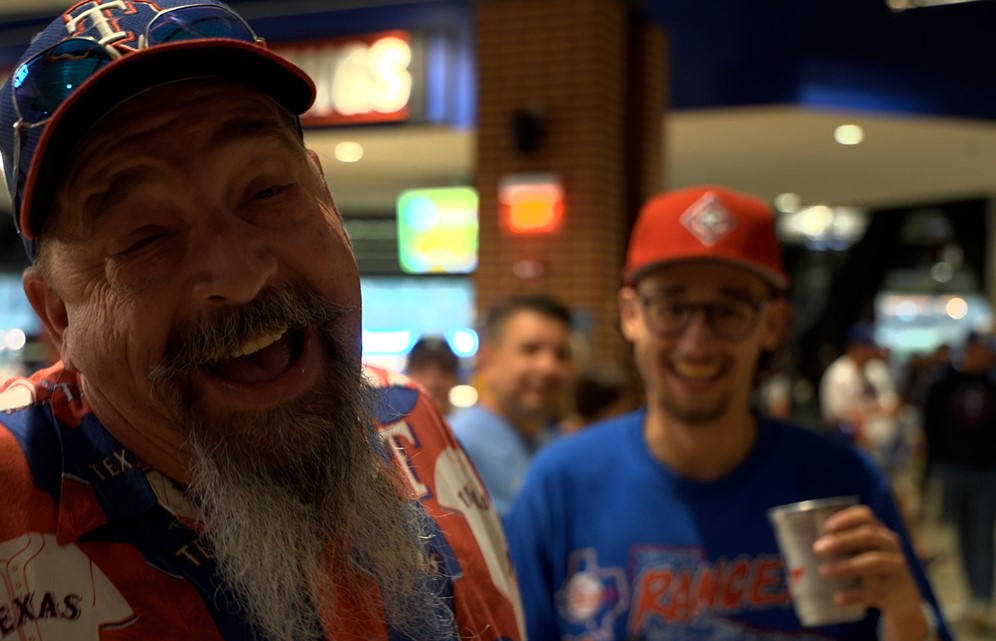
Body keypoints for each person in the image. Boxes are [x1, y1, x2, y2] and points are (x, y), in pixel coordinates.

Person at [0, 2, 522, 640]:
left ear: (325, 198)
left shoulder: (417, 429)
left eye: (266, 191)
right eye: (147, 237)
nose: (237, 274)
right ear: (57, 314)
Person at [505, 185, 951, 640]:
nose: (697, 341)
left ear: (772, 324)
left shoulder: (841, 482)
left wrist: (902, 610)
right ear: (631, 315)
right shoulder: (560, 486)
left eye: (729, 310)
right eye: (672, 308)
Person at [449, 294, 574, 518]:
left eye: (561, 354)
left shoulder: (552, 443)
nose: (549, 367)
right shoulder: (454, 446)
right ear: (486, 360)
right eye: (530, 350)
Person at [921, 331, 996, 633]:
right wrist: (934, 466)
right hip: (953, 469)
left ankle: (982, 598)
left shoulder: (992, 384)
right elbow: (931, 425)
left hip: (988, 472)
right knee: (962, 535)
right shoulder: (945, 383)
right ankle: (972, 596)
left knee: (981, 535)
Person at [819, 322, 902, 459]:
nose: (872, 352)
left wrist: (870, 411)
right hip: (850, 443)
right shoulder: (838, 374)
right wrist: (874, 410)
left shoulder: (875, 370)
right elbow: (835, 417)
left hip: (883, 444)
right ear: (856, 348)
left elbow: (893, 404)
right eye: (868, 347)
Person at [405, 335, 461, 418]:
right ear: (408, 377)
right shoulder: (393, 427)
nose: (433, 381)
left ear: (456, 378)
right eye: (422, 369)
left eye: (444, 369)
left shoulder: (469, 427)